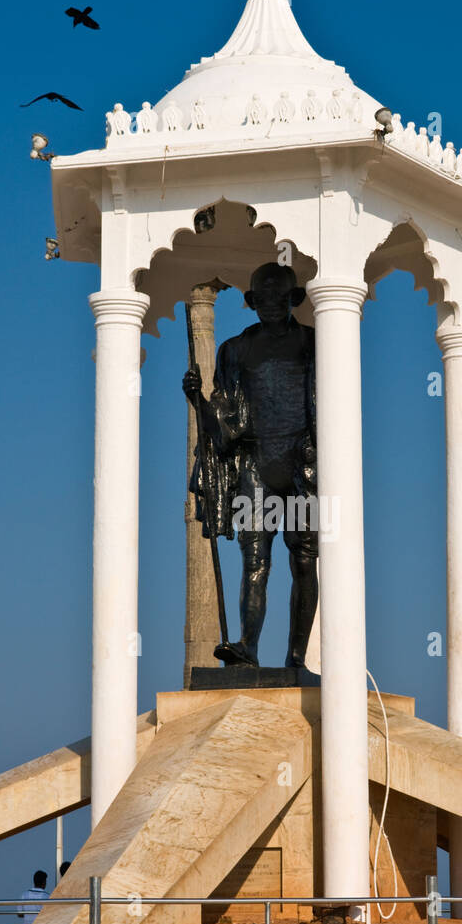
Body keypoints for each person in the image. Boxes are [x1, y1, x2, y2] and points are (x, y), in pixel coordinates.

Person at [182, 262, 318, 668]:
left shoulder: (316, 343)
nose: (271, 306)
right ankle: (248, 648)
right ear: (252, 302)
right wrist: (198, 401)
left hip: (302, 465)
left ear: (292, 300)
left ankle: (296, 656)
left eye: (279, 298)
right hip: (255, 464)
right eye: (263, 299)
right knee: (255, 559)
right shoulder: (234, 350)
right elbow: (221, 423)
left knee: (304, 558)